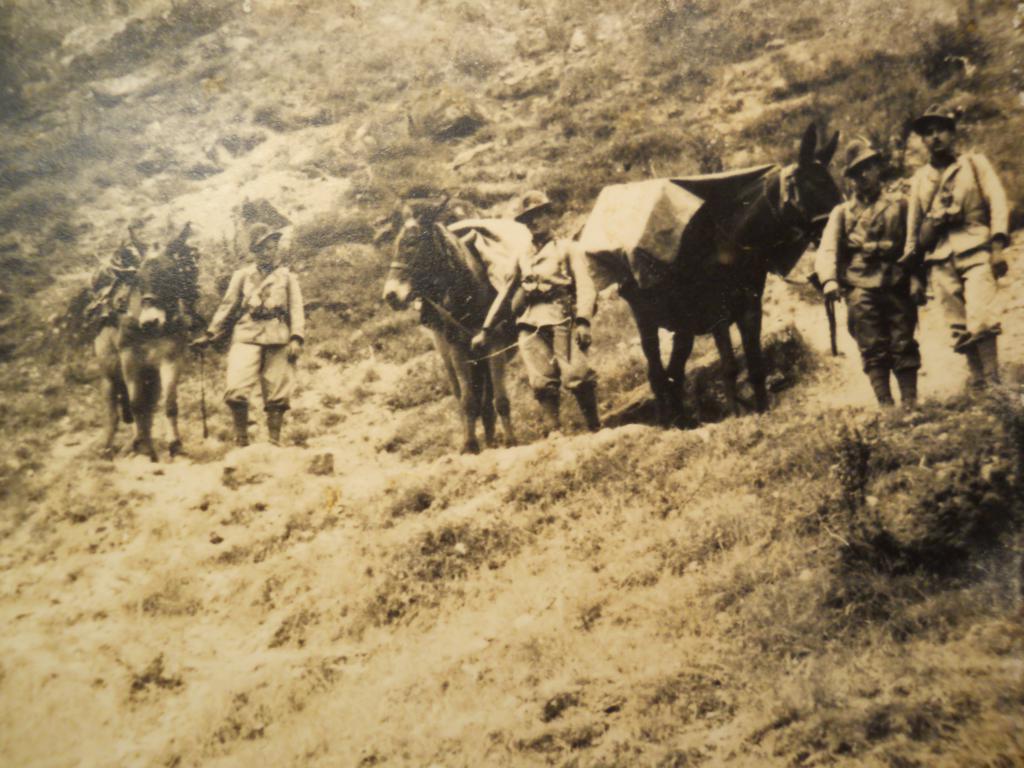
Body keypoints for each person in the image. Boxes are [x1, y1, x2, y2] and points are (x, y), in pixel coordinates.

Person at [472, 191, 600, 435]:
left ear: (549, 216)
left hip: (563, 317)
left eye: (538, 216)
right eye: (527, 219)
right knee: (541, 380)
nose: (533, 223)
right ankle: (555, 432)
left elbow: (585, 285)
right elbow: (507, 293)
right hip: (530, 322)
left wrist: (583, 320)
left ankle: (595, 427)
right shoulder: (522, 255)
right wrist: (487, 330)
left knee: (577, 375)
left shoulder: (567, 248)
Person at [902, 104, 1010, 388]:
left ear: (951, 133)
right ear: (923, 141)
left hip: (976, 249)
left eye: (940, 130)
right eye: (928, 133)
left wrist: (998, 244)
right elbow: (912, 230)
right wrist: (914, 273)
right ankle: (978, 382)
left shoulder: (975, 164)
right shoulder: (919, 181)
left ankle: (993, 381)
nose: (934, 137)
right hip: (939, 259)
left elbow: (997, 202)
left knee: (982, 318)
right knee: (957, 325)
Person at [815, 140, 921, 407]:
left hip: (896, 280)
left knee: (903, 339)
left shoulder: (901, 204)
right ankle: (885, 403)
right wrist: (829, 280)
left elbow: (915, 242)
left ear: (878, 169)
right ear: (849, 180)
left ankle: (910, 401)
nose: (863, 176)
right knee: (871, 345)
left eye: (868, 168)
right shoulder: (841, 213)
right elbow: (827, 248)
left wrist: (918, 277)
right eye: (856, 172)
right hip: (860, 286)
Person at [193, 222, 305, 446]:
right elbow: (228, 307)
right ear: (254, 250)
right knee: (236, 389)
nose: (267, 252)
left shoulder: (287, 277)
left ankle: (274, 442)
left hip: (278, 337)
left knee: (278, 394)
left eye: (271, 247)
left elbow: (296, 309)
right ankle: (241, 440)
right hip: (246, 335)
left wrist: (296, 337)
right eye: (262, 247)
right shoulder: (242, 276)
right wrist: (210, 333)